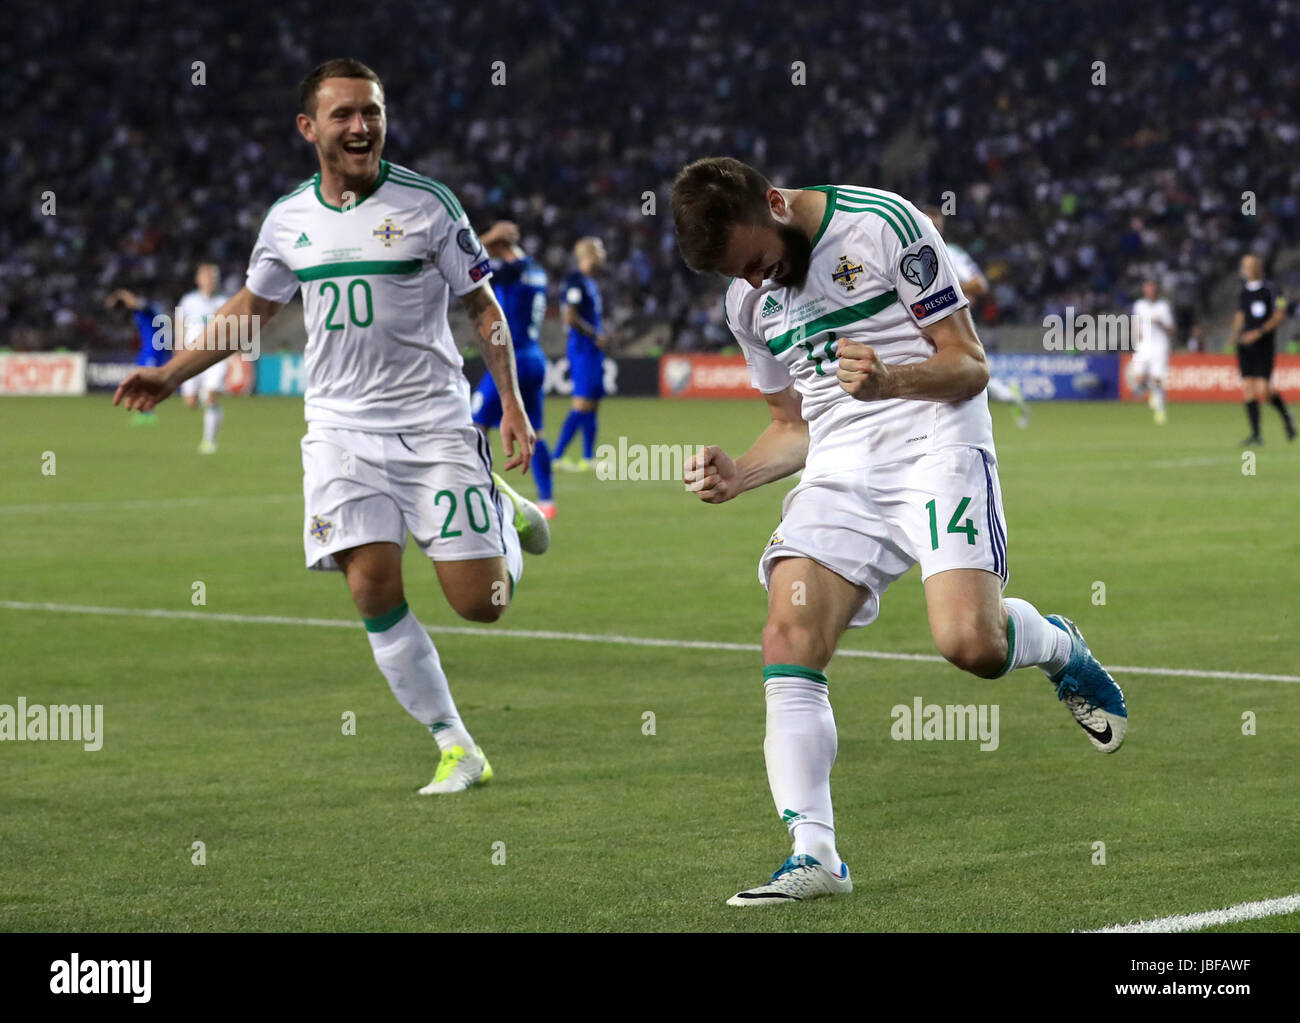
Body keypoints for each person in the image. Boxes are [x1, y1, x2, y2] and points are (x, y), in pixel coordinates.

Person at [671, 157, 1127, 906]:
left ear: (776, 204)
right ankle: (814, 853)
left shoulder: (883, 225)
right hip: (843, 471)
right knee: (787, 634)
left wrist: (891, 380)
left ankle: (1059, 644)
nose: (755, 284)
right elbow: (793, 425)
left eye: (755, 263)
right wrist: (740, 472)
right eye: (737, 276)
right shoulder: (747, 305)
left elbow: (970, 364)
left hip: (936, 440)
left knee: (970, 645)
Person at [115, 58, 550, 794]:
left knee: (483, 603)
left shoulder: (429, 204)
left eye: (372, 112)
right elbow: (248, 313)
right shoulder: (288, 219)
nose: (361, 126)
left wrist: (510, 402)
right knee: (371, 586)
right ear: (308, 127)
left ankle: (504, 510)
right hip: (340, 430)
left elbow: (482, 308)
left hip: (432, 422)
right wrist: (169, 371)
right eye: (344, 114)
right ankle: (455, 744)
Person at [471, 222, 556, 517]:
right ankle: (547, 501)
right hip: (535, 356)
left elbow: (464, 256)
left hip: (511, 359)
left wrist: (485, 239)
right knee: (537, 430)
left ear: (499, 249)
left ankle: (476, 492)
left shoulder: (510, 270)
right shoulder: (537, 271)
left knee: (475, 426)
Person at [920, 207, 1027, 428]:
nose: (934, 229)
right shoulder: (901, 252)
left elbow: (980, 284)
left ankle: (1003, 398)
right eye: (930, 224)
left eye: (938, 225)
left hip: (951, 324)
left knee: (962, 369)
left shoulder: (951, 252)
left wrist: (944, 290)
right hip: (921, 325)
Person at [552, 238, 608, 470]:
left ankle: (588, 457)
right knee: (582, 403)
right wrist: (594, 334)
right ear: (589, 255)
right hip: (582, 349)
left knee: (593, 403)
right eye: (600, 251)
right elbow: (569, 317)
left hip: (593, 350)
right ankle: (557, 456)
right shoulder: (575, 281)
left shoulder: (589, 282)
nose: (603, 256)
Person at [1231, 254, 1294, 445]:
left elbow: (1279, 315)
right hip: (1245, 346)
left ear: (1256, 268)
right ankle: (1256, 434)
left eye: (1247, 265)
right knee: (1248, 388)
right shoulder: (1243, 292)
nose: (1244, 269)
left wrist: (1258, 333)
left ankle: (1286, 416)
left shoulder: (1271, 288)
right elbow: (1240, 315)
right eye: (1243, 265)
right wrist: (1234, 335)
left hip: (1263, 345)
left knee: (1264, 391)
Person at [175, 263, 232, 453]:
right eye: (206, 278)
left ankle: (209, 441)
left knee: (212, 396)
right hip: (192, 356)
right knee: (190, 403)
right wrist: (178, 347)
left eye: (213, 278)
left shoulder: (224, 301)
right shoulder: (189, 301)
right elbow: (180, 324)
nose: (209, 282)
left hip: (216, 356)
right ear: (198, 280)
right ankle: (202, 397)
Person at [105, 287, 171, 426]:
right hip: (147, 349)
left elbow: (133, 301)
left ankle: (148, 413)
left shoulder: (147, 308)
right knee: (141, 381)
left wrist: (120, 294)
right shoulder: (139, 312)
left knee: (148, 381)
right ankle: (144, 411)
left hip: (154, 349)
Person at [1127, 278, 1175, 425]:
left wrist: (1159, 323)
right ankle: (1152, 392)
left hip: (1160, 346)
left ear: (1157, 290)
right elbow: (1135, 323)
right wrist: (1135, 335)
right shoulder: (1139, 305)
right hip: (1143, 346)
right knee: (1140, 379)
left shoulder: (1163, 306)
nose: (1150, 291)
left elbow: (1172, 329)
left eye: (1152, 289)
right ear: (1144, 290)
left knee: (1157, 380)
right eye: (1147, 289)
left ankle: (1160, 411)